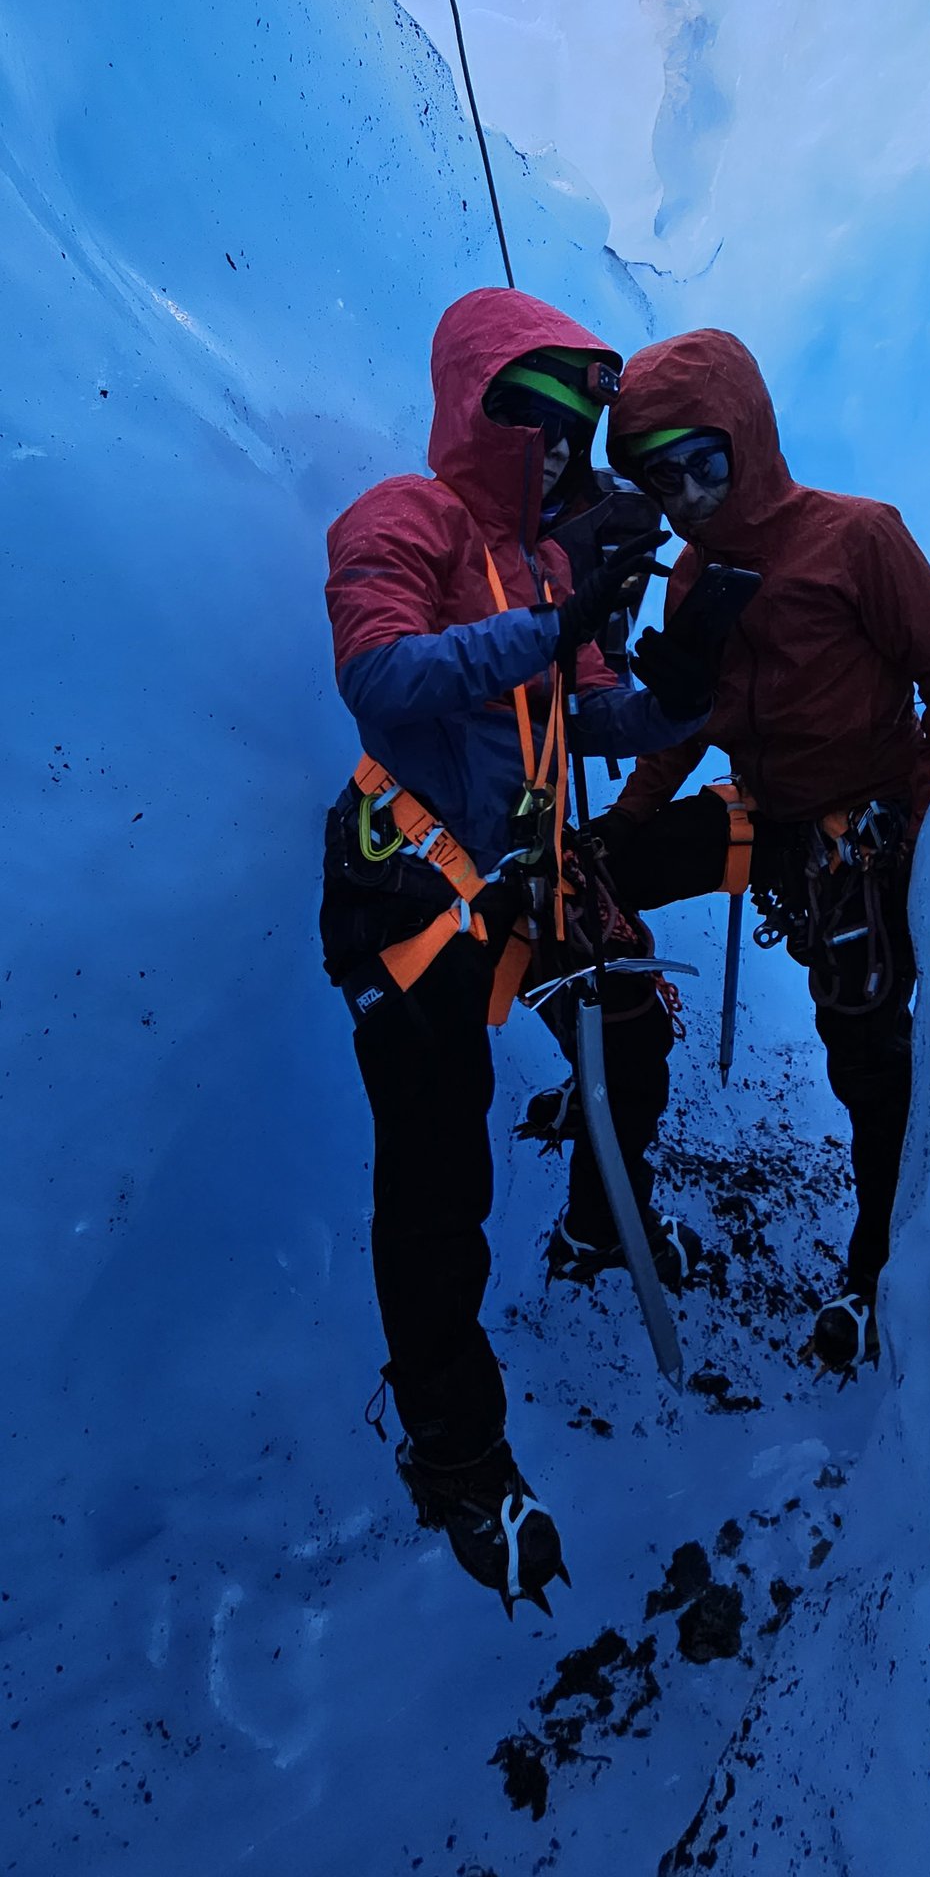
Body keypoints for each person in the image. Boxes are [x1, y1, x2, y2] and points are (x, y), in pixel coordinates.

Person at [319, 286, 717, 1612]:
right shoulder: (403, 518)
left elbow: (597, 715)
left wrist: (681, 692)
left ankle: (601, 1236)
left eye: (570, 433)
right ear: (480, 412)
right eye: (532, 423)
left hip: (530, 867)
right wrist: (551, 628)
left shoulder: (558, 560)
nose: (553, 453)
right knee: (436, 1180)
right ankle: (457, 1453)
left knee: (634, 1032)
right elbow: (384, 674)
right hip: (412, 887)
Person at [594, 328, 930, 1372]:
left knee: (865, 1055)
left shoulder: (859, 539)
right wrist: (622, 826)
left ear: (749, 436)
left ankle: (875, 1270)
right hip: (761, 815)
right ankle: (603, 1178)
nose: (683, 493)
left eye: (702, 461)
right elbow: (684, 718)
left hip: (863, 830)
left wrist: (919, 820)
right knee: (589, 887)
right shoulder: (690, 581)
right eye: (657, 473)